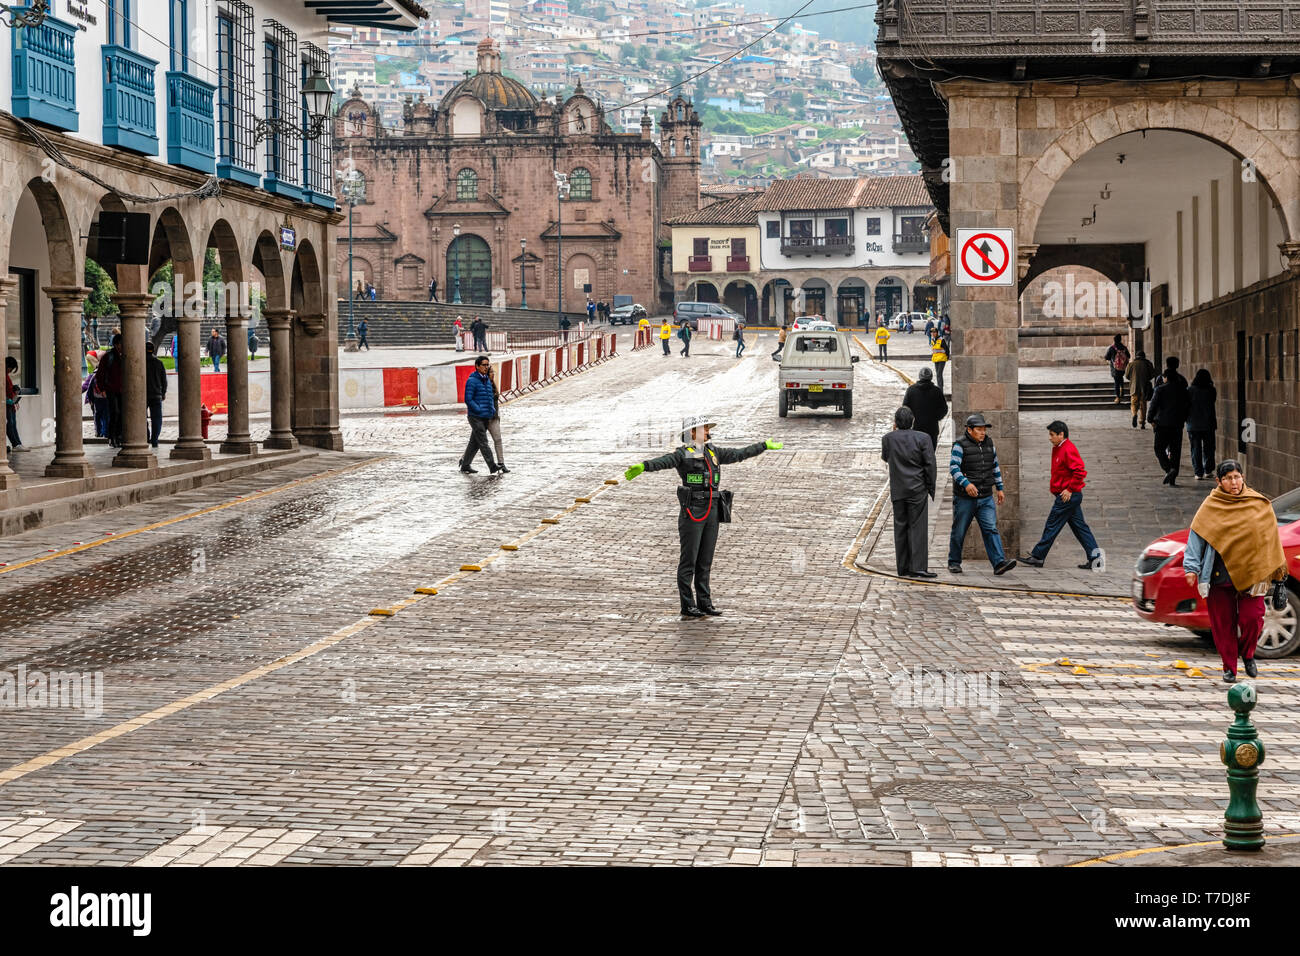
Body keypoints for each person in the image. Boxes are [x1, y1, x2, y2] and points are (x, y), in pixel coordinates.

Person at [623, 416, 782, 618]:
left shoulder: (713, 452)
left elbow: (738, 454)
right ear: (692, 433)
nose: (707, 431)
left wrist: (763, 446)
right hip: (693, 511)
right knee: (689, 560)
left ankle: (705, 603)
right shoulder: (683, 454)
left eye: (707, 428)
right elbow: (664, 461)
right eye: (703, 428)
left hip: (712, 510)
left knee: (705, 561)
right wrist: (644, 466)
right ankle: (688, 605)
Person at [1182, 460, 1288, 682]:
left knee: (1252, 619)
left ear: (1243, 477)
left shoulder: (1259, 504)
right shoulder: (1211, 506)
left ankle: (1248, 654)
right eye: (1228, 478)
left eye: (1237, 476)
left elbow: (1271, 540)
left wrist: (1278, 572)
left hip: (1252, 575)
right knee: (1223, 625)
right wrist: (1191, 568)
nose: (1234, 482)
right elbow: (1196, 538)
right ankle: (1229, 667)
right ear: (1219, 481)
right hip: (1220, 576)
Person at [1019, 420, 1101, 569]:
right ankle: (1096, 559)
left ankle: (1038, 556)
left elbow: (1080, 471)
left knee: (1052, 524)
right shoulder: (1059, 447)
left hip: (1067, 496)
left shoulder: (1068, 449)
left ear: (1061, 434)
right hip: (1069, 496)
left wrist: (1069, 489)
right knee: (1080, 528)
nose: (1049, 438)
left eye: (1052, 435)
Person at [947, 413, 1016, 575]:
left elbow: (995, 466)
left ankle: (999, 563)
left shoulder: (989, 443)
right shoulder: (959, 445)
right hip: (965, 498)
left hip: (985, 497)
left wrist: (999, 488)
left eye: (984, 429)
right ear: (969, 430)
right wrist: (966, 484)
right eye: (979, 429)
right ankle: (954, 562)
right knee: (959, 530)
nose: (982, 432)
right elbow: (954, 468)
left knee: (991, 529)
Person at [881, 406, 937, 578]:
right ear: (913, 421)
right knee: (917, 527)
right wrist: (930, 486)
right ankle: (918, 566)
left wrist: (893, 433)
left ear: (896, 423)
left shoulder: (888, 438)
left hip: (898, 488)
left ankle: (903, 567)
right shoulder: (923, 438)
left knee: (900, 527)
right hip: (917, 488)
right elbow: (930, 464)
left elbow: (886, 457)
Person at [1148, 356, 1189, 485]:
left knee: (1159, 448)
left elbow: (1153, 404)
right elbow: (1187, 405)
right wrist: (1184, 418)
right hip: (1177, 423)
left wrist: (1150, 418)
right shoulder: (1182, 384)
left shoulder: (1160, 387)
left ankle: (1168, 469)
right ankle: (1173, 477)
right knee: (1176, 451)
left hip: (1162, 423)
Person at [459, 355, 501, 475]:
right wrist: (478, 409)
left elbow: (490, 397)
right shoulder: (472, 380)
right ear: (477, 366)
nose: (486, 367)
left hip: (486, 416)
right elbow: (468, 399)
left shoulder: (487, 379)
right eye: (484, 365)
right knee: (483, 442)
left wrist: (492, 409)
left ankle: (465, 465)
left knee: (475, 443)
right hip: (475, 416)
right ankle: (492, 466)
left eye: (488, 365)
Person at [902, 366, 947, 451]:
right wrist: (935, 418)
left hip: (916, 427)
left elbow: (905, 409)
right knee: (930, 452)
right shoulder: (937, 391)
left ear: (919, 376)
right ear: (931, 377)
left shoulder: (911, 390)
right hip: (932, 428)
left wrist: (911, 420)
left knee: (917, 453)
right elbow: (944, 409)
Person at [1186, 368, 1217, 480]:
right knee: (1209, 447)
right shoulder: (1211, 390)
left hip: (1193, 424)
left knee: (1196, 448)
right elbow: (1213, 401)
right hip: (1208, 423)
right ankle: (1208, 470)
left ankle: (1198, 472)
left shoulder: (1190, 390)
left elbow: (1186, 405)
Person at [99, 333, 125, 447]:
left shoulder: (125, 355)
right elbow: (100, 373)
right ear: (116, 344)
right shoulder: (108, 356)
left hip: (123, 390)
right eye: (120, 344)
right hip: (111, 389)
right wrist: (102, 388)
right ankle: (112, 436)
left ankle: (119, 436)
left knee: (122, 413)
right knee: (115, 412)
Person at [485, 362, 510, 474]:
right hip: (484, 417)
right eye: (490, 372)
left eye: (493, 372)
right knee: (475, 443)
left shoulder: (492, 384)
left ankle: (501, 463)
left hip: (494, 417)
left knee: (498, 439)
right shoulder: (483, 384)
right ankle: (464, 459)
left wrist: (497, 415)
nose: (493, 374)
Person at [1125, 348, 1155, 429]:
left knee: (1134, 403)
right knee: (1143, 405)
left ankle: (1134, 414)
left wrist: (1133, 379)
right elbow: (1152, 374)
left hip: (1134, 387)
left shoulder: (1131, 364)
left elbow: (1127, 375)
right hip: (1144, 388)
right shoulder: (1148, 363)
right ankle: (1142, 422)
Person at [145, 341, 167, 449]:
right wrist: (163, 393)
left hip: (143, 395)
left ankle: (146, 436)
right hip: (156, 394)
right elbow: (164, 380)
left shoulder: (139, 363)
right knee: (157, 419)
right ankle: (155, 440)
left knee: (141, 418)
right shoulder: (159, 363)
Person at [5, 356, 26, 452]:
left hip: (11, 403)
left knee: (13, 424)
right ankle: (15, 444)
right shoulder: (3, 375)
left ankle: (18, 443)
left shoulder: (6, 376)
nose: (10, 370)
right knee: (10, 424)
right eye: (11, 368)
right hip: (7, 403)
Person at [1103, 334, 1131, 404]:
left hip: (1115, 368)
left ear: (1114, 340)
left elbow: (1106, 357)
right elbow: (1129, 356)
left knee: (1116, 382)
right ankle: (1122, 389)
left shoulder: (1112, 348)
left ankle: (1117, 397)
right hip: (1123, 367)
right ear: (1120, 340)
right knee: (1120, 378)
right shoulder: (1124, 347)